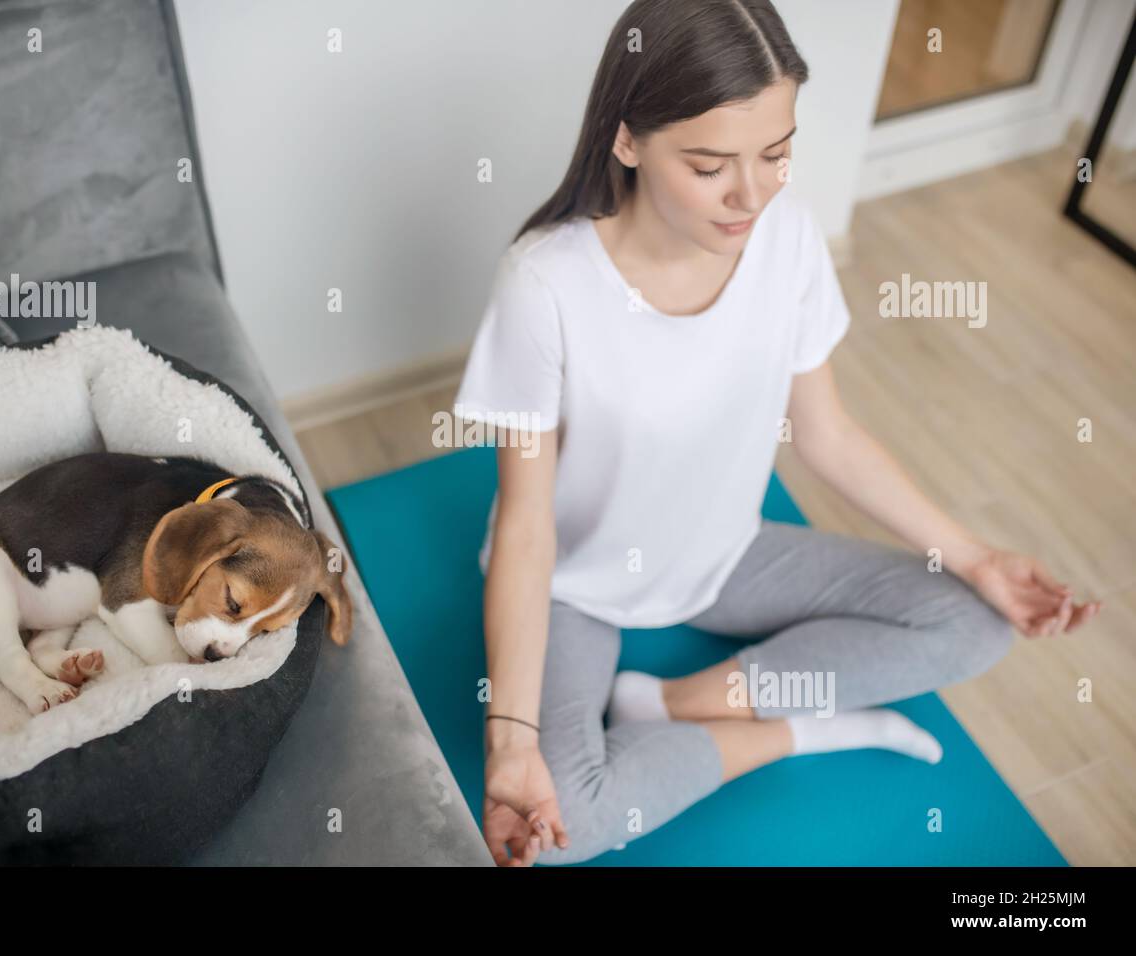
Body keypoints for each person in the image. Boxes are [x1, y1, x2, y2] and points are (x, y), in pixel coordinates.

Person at [453, 0, 1102, 867]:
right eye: (711, 165)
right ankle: (799, 732)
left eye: (776, 152)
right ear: (627, 140)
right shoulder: (546, 284)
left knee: (977, 620)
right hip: (577, 584)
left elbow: (825, 433)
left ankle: (677, 703)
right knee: (557, 830)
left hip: (724, 554)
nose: (751, 194)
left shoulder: (787, 238)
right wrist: (511, 743)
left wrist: (978, 557)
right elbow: (528, 528)